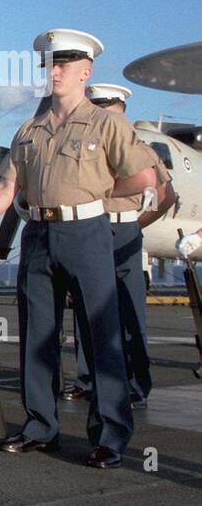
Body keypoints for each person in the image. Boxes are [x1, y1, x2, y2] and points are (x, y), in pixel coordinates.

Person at [0, 29, 157, 469]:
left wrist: (96, 192)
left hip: (87, 233)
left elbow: (144, 179)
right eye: (49, 65)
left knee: (100, 336)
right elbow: (7, 187)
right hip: (38, 235)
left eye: (64, 64)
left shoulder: (106, 124)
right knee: (37, 335)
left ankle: (110, 435)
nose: (55, 72)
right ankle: (41, 426)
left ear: (86, 71)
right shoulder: (30, 129)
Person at [62, 83, 176, 410]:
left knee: (129, 307)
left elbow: (165, 196)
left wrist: (136, 225)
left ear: (123, 113)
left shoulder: (142, 150)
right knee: (87, 305)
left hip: (124, 225)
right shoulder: (83, 149)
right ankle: (87, 379)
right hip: (88, 226)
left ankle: (137, 382)